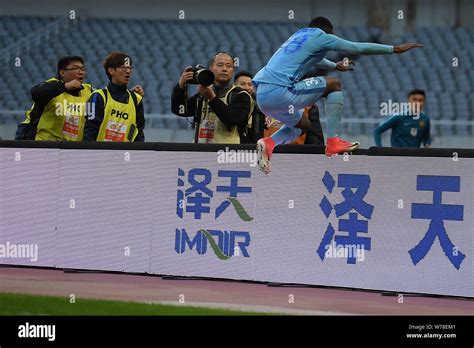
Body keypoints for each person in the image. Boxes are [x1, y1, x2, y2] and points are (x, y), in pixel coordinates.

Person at [253, 16, 422, 174]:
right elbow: (357, 48)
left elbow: (314, 58)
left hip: (262, 96)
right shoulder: (322, 36)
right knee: (334, 84)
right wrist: (395, 49)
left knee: (303, 124)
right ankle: (332, 142)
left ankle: (269, 142)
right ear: (328, 32)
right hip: (281, 92)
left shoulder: (299, 35)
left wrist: (334, 64)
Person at [171, 52, 253, 144]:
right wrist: (181, 85)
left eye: (229, 66)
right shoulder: (203, 95)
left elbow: (233, 119)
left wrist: (212, 98)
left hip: (226, 153)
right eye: (220, 65)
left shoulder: (241, 95)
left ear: (233, 70)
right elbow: (179, 110)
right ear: (211, 68)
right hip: (201, 151)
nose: (224, 69)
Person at [15, 56, 93, 141]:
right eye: (75, 68)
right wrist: (65, 86)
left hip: (72, 148)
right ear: (62, 73)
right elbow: (36, 93)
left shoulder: (89, 91)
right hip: (43, 146)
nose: (81, 72)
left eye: (82, 69)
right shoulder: (52, 86)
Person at [84, 52, 145, 142]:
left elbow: (138, 131)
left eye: (130, 68)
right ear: (111, 71)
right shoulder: (97, 96)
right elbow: (89, 132)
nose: (128, 71)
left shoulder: (137, 99)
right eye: (123, 68)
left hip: (125, 155)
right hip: (100, 154)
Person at [233, 70, 266, 143]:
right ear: (234, 86)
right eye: (242, 84)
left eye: (250, 84)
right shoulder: (228, 104)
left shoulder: (260, 108)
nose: (247, 87)